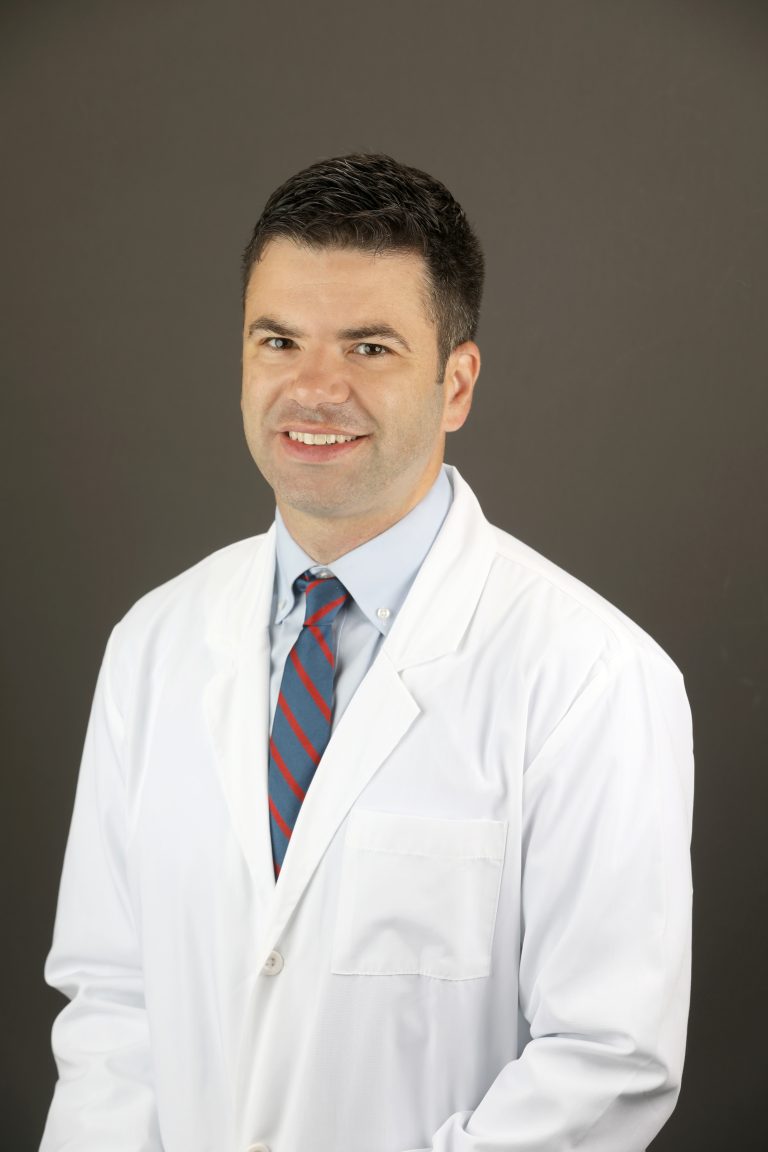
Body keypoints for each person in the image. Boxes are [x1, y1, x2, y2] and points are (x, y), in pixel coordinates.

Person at [40, 153, 694, 1152]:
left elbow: (606, 1060)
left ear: (456, 384)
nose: (314, 389)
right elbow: (112, 1004)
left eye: (371, 347)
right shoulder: (154, 643)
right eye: (279, 341)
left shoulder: (590, 675)